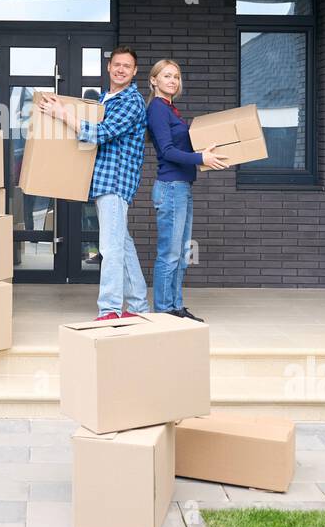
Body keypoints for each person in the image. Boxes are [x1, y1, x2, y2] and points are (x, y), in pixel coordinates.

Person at [36, 46, 148, 320]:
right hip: (102, 183)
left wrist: (62, 114)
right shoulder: (105, 98)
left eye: (127, 66)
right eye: (117, 64)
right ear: (109, 67)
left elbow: (101, 133)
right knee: (122, 243)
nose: (121, 69)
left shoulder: (131, 101)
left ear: (134, 72)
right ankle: (138, 306)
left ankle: (110, 309)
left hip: (115, 183)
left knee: (110, 248)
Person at [144, 59, 228, 321]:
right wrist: (200, 158)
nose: (172, 81)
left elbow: (183, 147)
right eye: (167, 76)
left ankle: (176, 306)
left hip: (182, 186)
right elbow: (167, 151)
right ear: (153, 80)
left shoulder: (172, 109)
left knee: (180, 254)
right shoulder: (157, 109)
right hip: (170, 187)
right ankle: (164, 309)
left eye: (176, 77)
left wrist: (204, 151)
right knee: (169, 253)